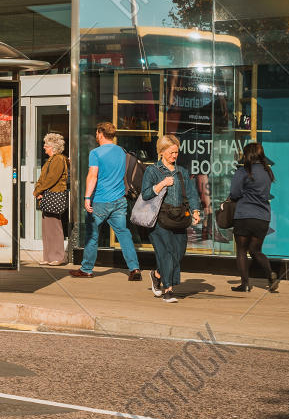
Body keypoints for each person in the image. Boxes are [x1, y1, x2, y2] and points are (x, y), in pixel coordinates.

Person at [72, 121, 141, 281]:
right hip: (119, 200)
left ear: (101, 134)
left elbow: (92, 176)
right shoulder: (122, 152)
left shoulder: (96, 153)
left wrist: (87, 197)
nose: (96, 136)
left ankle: (87, 269)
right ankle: (134, 269)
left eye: (97, 133)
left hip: (100, 201)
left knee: (92, 235)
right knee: (124, 234)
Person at [141, 133, 200, 303]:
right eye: (171, 152)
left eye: (176, 152)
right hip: (159, 219)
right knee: (166, 253)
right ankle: (168, 290)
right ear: (162, 151)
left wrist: (195, 211)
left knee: (178, 252)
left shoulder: (182, 171)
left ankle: (157, 274)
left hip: (179, 218)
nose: (174, 156)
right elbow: (145, 194)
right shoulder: (152, 171)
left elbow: (192, 194)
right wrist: (161, 184)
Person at [229, 142, 279, 293]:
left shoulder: (243, 171)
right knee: (255, 250)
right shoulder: (267, 172)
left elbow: (234, 194)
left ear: (247, 155)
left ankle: (244, 285)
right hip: (263, 217)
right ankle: (270, 273)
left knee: (242, 251)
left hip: (244, 215)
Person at [34, 131, 70, 265]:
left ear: (53, 147)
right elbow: (45, 178)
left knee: (54, 227)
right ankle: (48, 257)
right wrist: (39, 191)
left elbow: (51, 179)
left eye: (46, 145)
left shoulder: (58, 159)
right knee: (47, 228)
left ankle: (58, 257)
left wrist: (38, 190)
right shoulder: (52, 159)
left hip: (53, 195)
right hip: (48, 195)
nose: (44, 147)